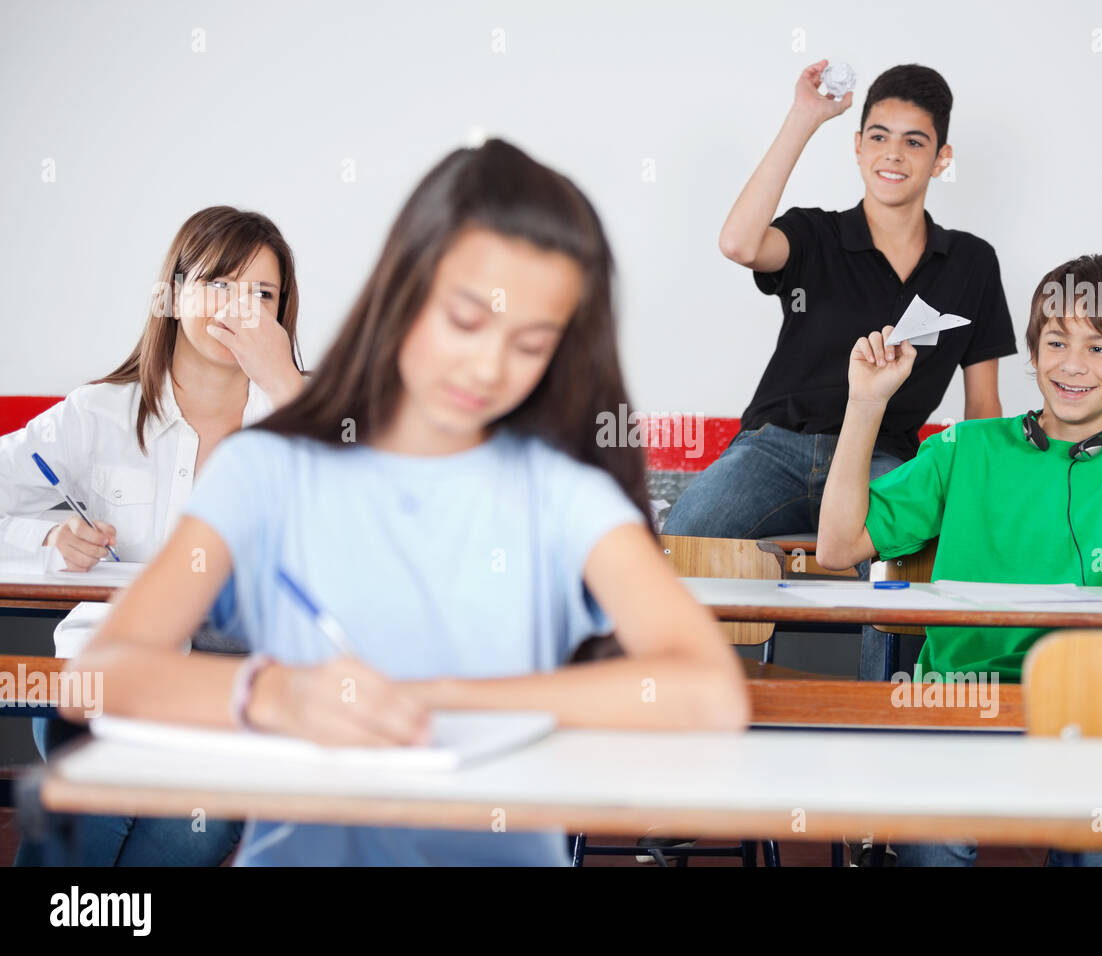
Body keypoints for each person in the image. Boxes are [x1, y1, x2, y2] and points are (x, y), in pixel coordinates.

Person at [67, 139, 751, 866]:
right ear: (403, 292)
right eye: (464, 321)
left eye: (531, 343)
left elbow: (711, 693)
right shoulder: (266, 471)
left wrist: (438, 699)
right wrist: (275, 696)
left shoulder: (561, 494)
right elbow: (96, 677)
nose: (488, 367)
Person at [816, 253, 1102, 865]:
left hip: (1092, 711)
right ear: (1032, 352)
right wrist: (866, 403)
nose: (1072, 365)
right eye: (1056, 341)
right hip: (955, 706)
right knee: (933, 841)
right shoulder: (963, 447)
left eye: (1099, 348)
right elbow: (836, 547)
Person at [664, 62, 1017, 682]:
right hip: (775, 448)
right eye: (878, 136)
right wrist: (805, 117)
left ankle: (893, 717)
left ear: (941, 158)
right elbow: (739, 243)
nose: (893, 154)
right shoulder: (816, 234)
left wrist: (979, 505)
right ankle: (680, 701)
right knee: (690, 536)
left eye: (915, 141)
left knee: (901, 567)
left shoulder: (971, 262)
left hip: (882, 458)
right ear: (856, 146)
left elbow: (982, 406)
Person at [7, 205, 306, 864]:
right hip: (101, 688)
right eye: (220, 284)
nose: (241, 308)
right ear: (171, 297)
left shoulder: (310, 420)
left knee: (179, 835)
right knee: (85, 816)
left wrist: (285, 384)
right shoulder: (99, 416)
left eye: (263, 295)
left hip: (232, 708)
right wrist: (46, 542)